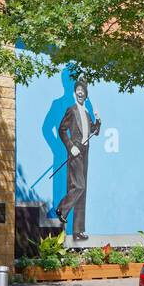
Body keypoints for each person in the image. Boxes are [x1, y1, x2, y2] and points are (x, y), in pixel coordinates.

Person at [55, 77, 100, 240]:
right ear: (75, 93)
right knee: (79, 185)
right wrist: (70, 147)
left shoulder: (87, 113)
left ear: (86, 95)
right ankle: (62, 209)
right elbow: (61, 130)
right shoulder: (72, 110)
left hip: (85, 152)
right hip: (75, 151)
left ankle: (78, 231)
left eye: (83, 91)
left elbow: (94, 131)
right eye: (78, 90)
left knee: (83, 190)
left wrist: (98, 120)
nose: (80, 93)